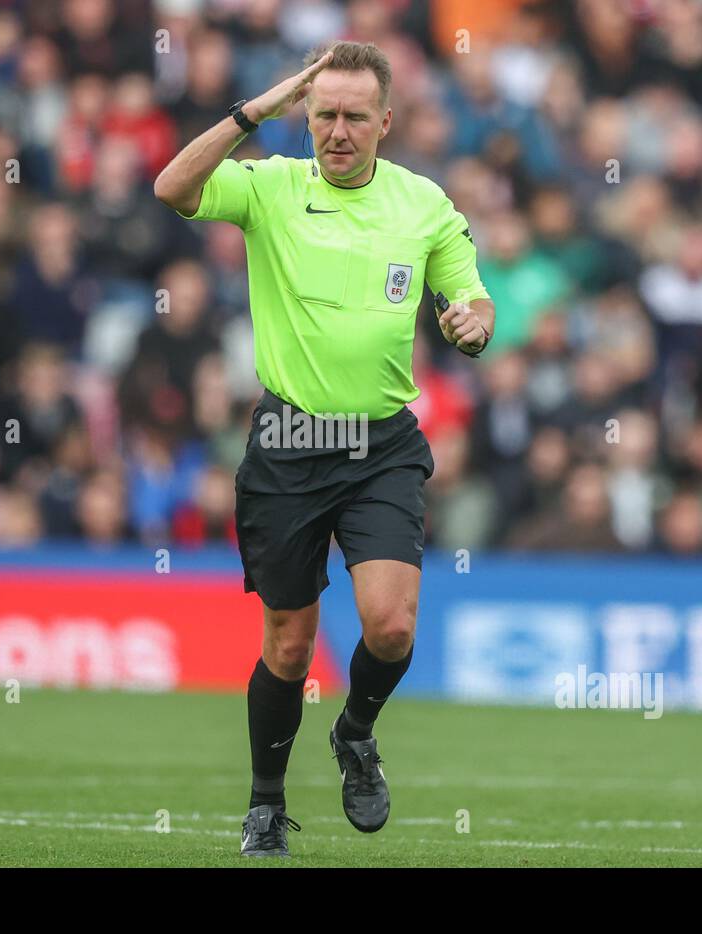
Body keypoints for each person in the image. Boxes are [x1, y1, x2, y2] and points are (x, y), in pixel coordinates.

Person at [154, 40, 495, 857]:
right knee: (289, 644)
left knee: (391, 629)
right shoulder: (270, 185)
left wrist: (472, 325)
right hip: (290, 443)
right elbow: (172, 187)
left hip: (381, 444)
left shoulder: (423, 205)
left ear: (386, 120)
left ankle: (355, 731)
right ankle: (266, 802)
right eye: (323, 115)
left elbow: (473, 298)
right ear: (305, 117)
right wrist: (253, 114)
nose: (337, 131)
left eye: (353, 116)